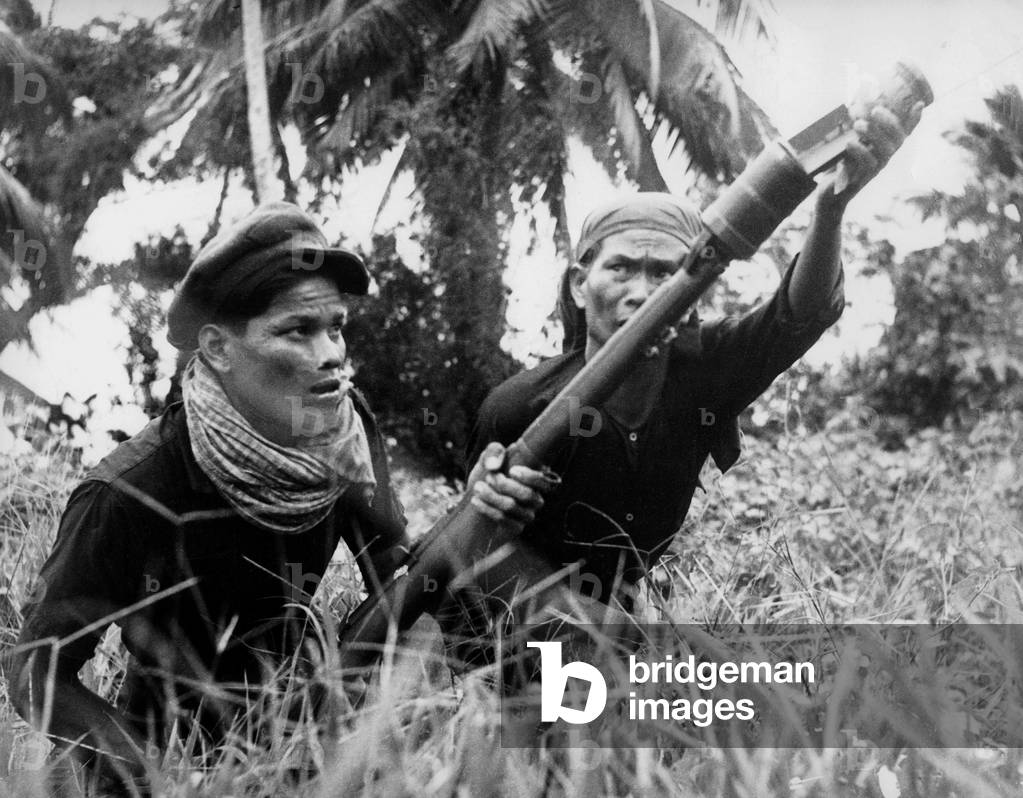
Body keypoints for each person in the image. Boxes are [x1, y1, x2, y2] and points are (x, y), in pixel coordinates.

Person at [7, 202, 549, 793]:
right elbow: (37, 672)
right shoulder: (130, 490)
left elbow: (398, 574)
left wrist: (477, 520)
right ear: (217, 349)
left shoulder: (345, 431)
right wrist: (154, 771)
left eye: (336, 327)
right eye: (298, 331)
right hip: (163, 746)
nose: (332, 356)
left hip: (310, 727)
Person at [439, 101, 919, 653]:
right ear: (579, 285)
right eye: (620, 268)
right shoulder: (521, 407)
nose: (642, 293)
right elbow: (466, 562)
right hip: (503, 632)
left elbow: (799, 314)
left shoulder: (711, 371)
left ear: (690, 295)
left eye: (665, 273)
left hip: (618, 626)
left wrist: (832, 207)